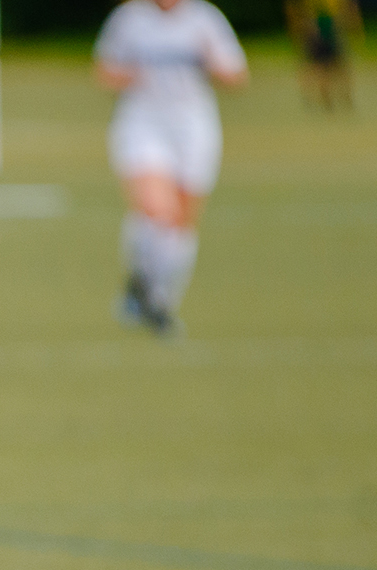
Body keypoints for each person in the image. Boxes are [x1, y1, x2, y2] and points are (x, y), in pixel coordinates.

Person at [95, 0, 248, 337]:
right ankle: (145, 286)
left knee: (181, 221)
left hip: (193, 127)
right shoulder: (131, 18)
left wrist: (213, 65)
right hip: (143, 123)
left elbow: (237, 75)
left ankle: (158, 297)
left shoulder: (204, 19)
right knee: (156, 210)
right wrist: (131, 75)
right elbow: (104, 72)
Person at [287, 0, 360, 111]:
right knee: (328, 67)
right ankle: (337, 98)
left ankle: (332, 99)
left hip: (320, 28)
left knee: (325, 66)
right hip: (325, 28)